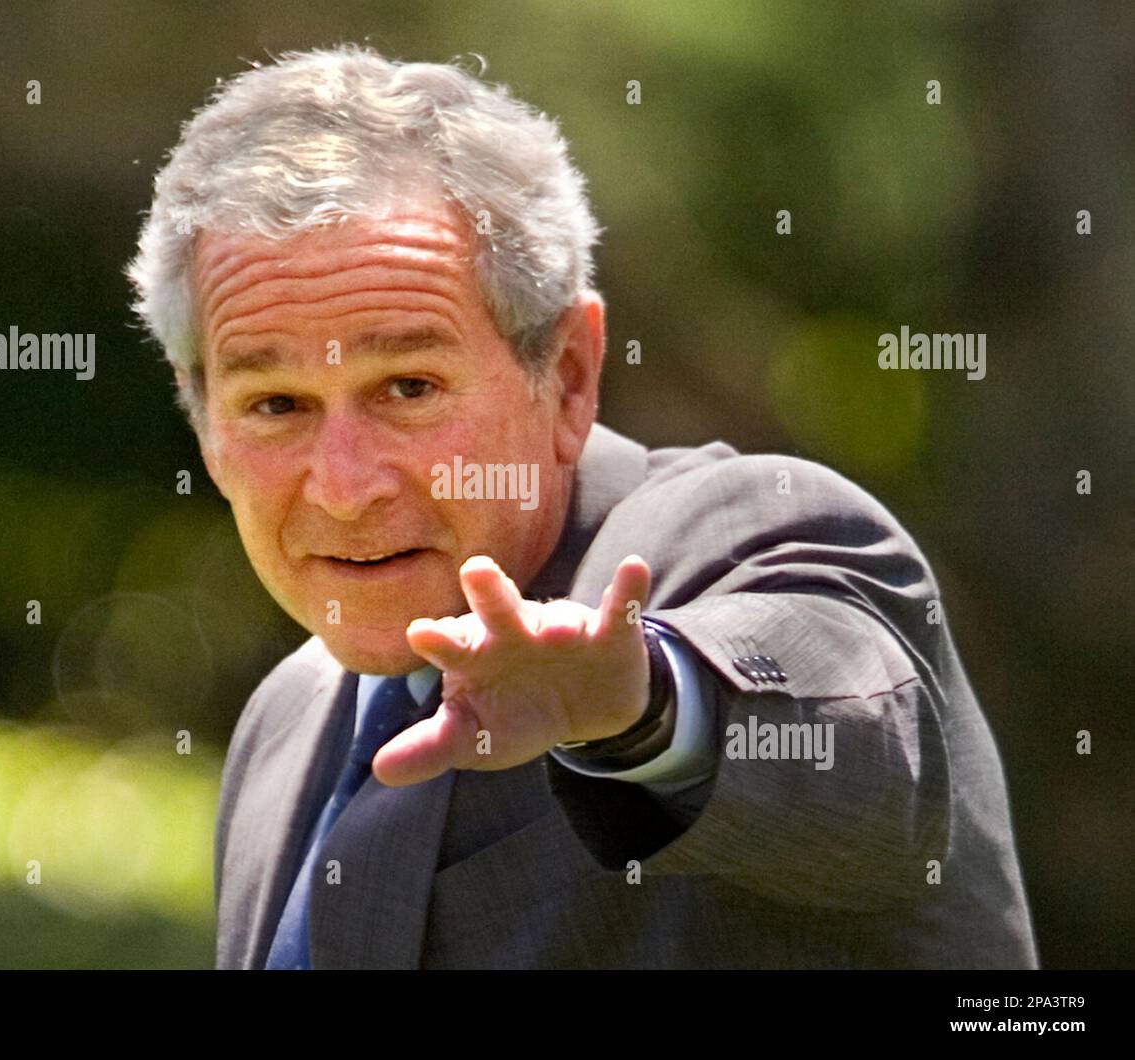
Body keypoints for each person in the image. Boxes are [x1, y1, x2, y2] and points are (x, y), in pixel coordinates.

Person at [126, 44, 1038, 969]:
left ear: (567, 378)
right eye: (275, 405)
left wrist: (642, 707)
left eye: (407, 387)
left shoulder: (748, 532)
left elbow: (865, 744)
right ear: (202, 419)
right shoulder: (284, 722)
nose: (347, 484)